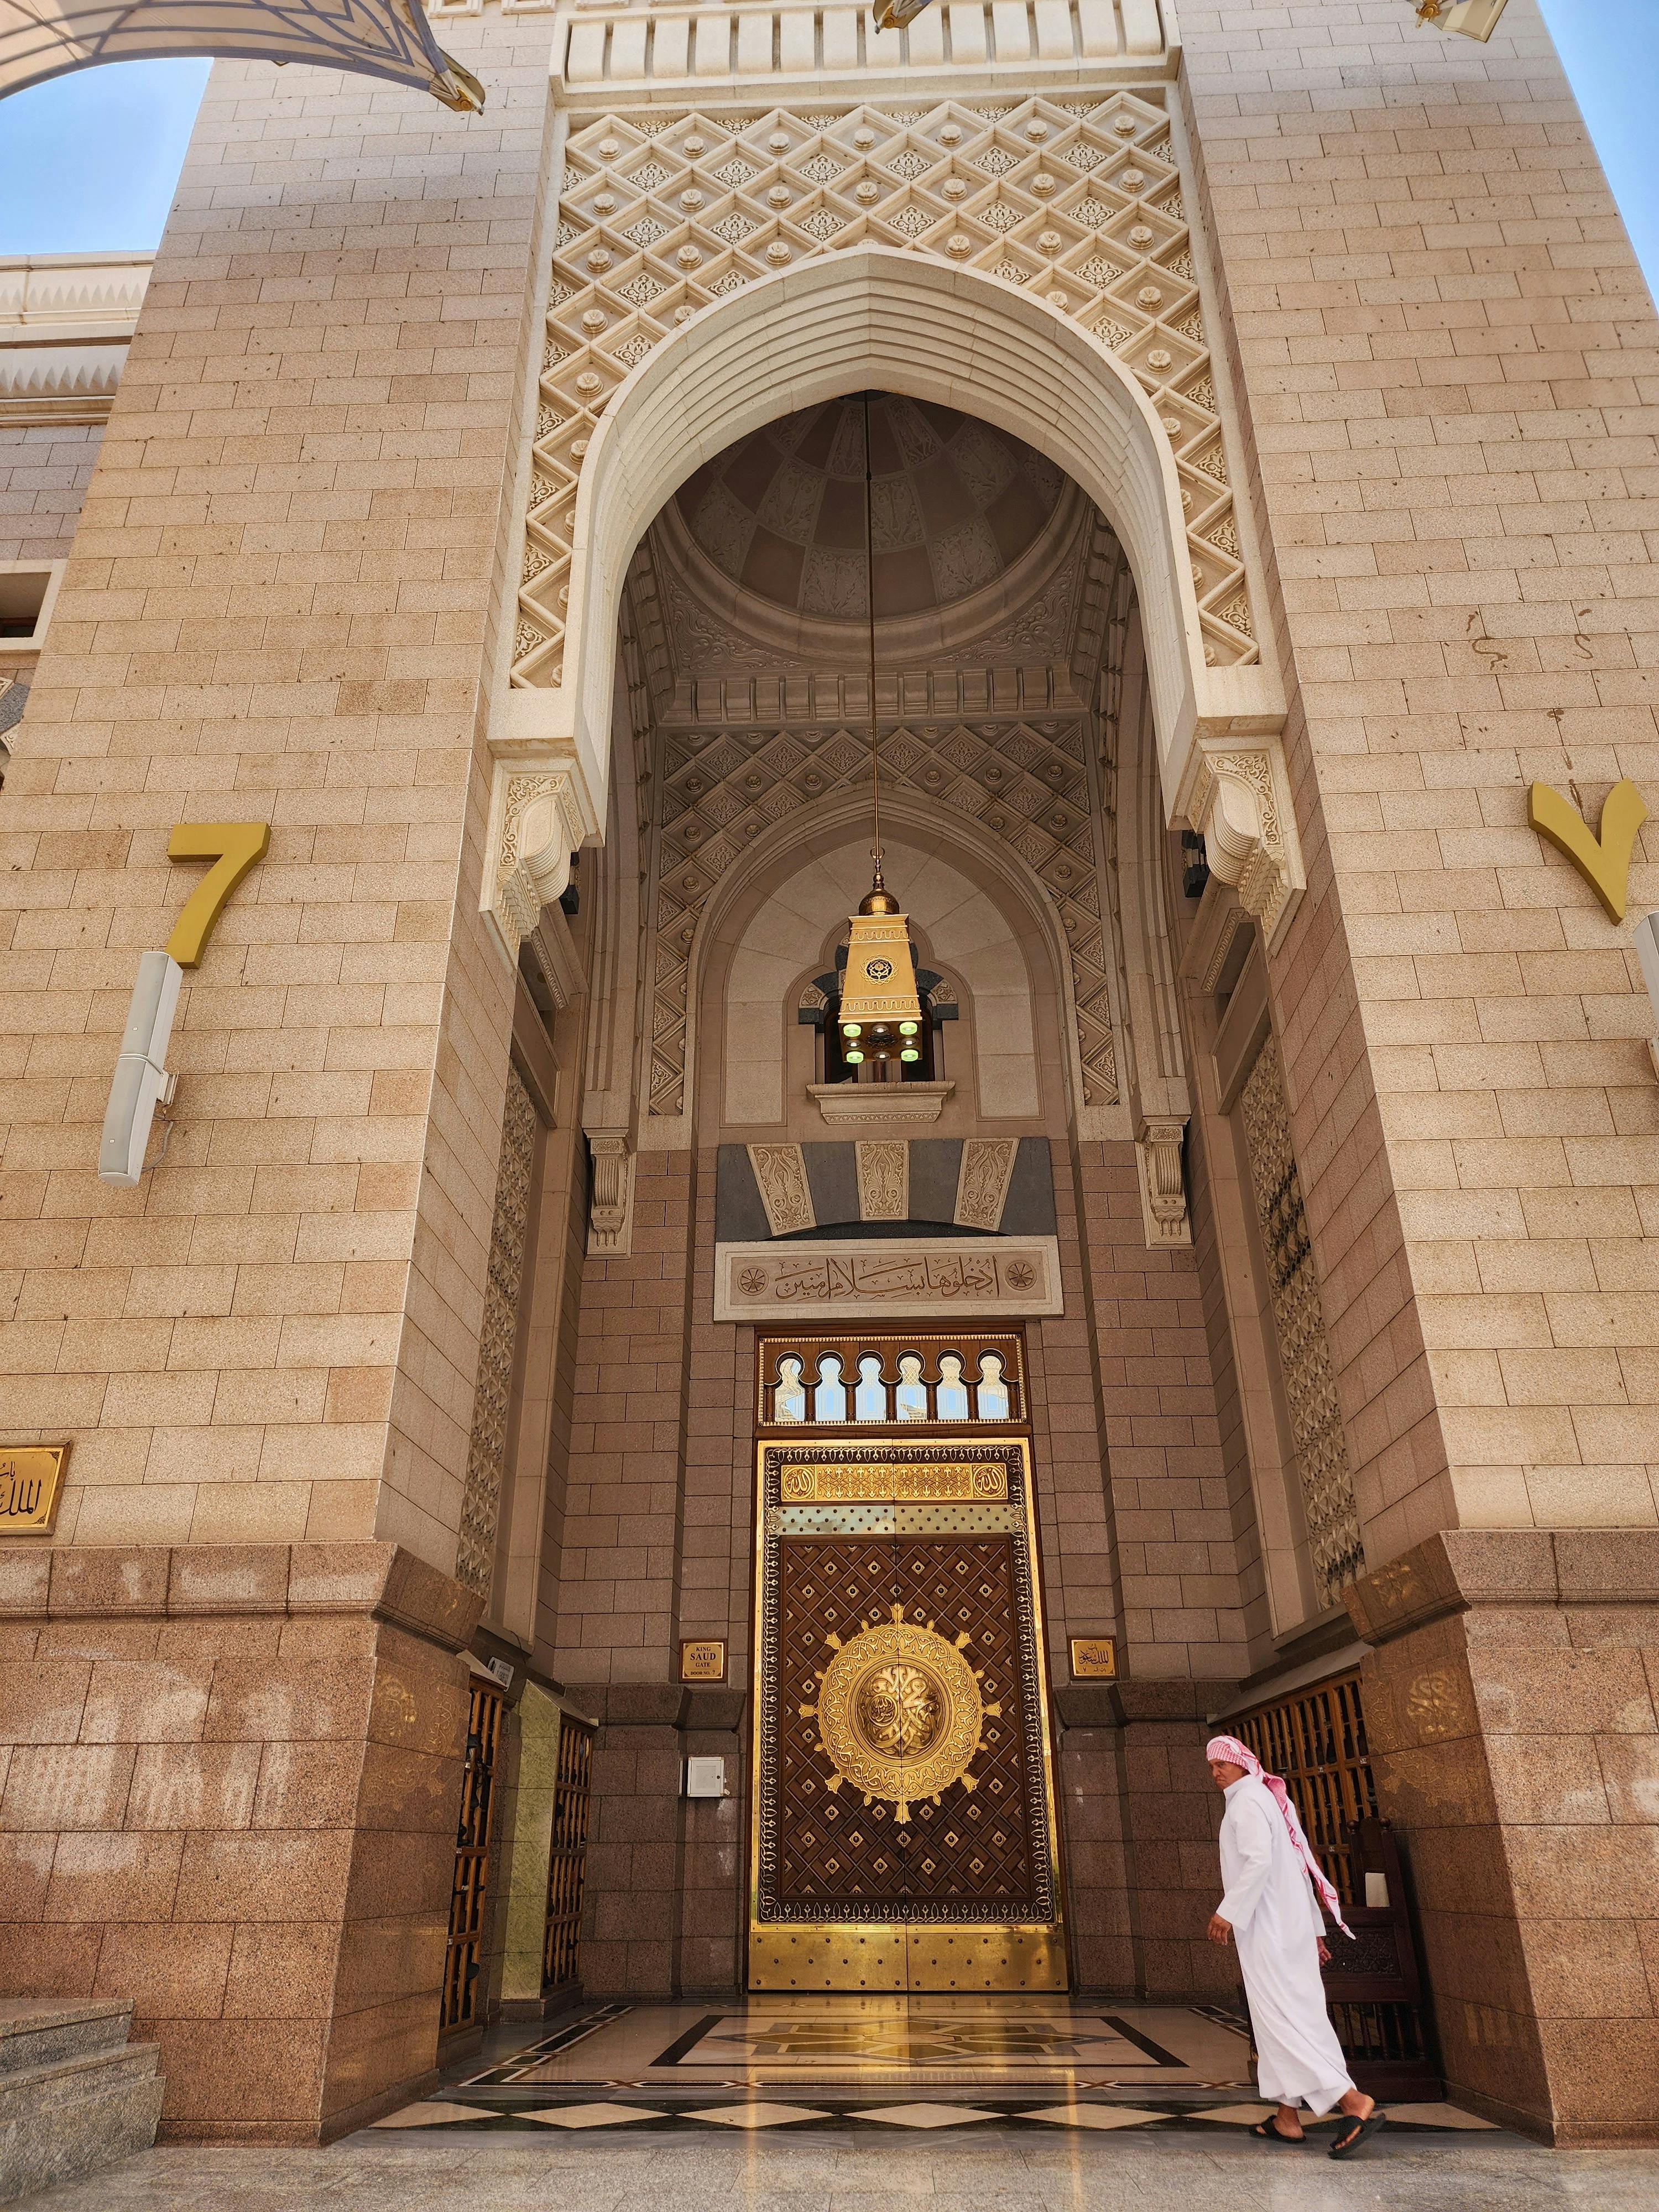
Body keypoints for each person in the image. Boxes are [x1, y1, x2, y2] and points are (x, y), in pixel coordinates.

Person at [1204, 1733, 1386, 2158]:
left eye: (1222, 1765)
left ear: (1244, 1765)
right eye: (1212, 1768)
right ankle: (1288, 2120)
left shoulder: (1248, 1802)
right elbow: (1300, 1868)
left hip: (1271, 1933)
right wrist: (1315, 1931)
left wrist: (1228, 1911)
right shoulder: (1265, 1800)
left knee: (1285, 2021)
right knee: (1285, 2019)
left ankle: (1351, 2101)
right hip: (1289, 1931)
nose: (1216, 1774)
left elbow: (1259, 1862)